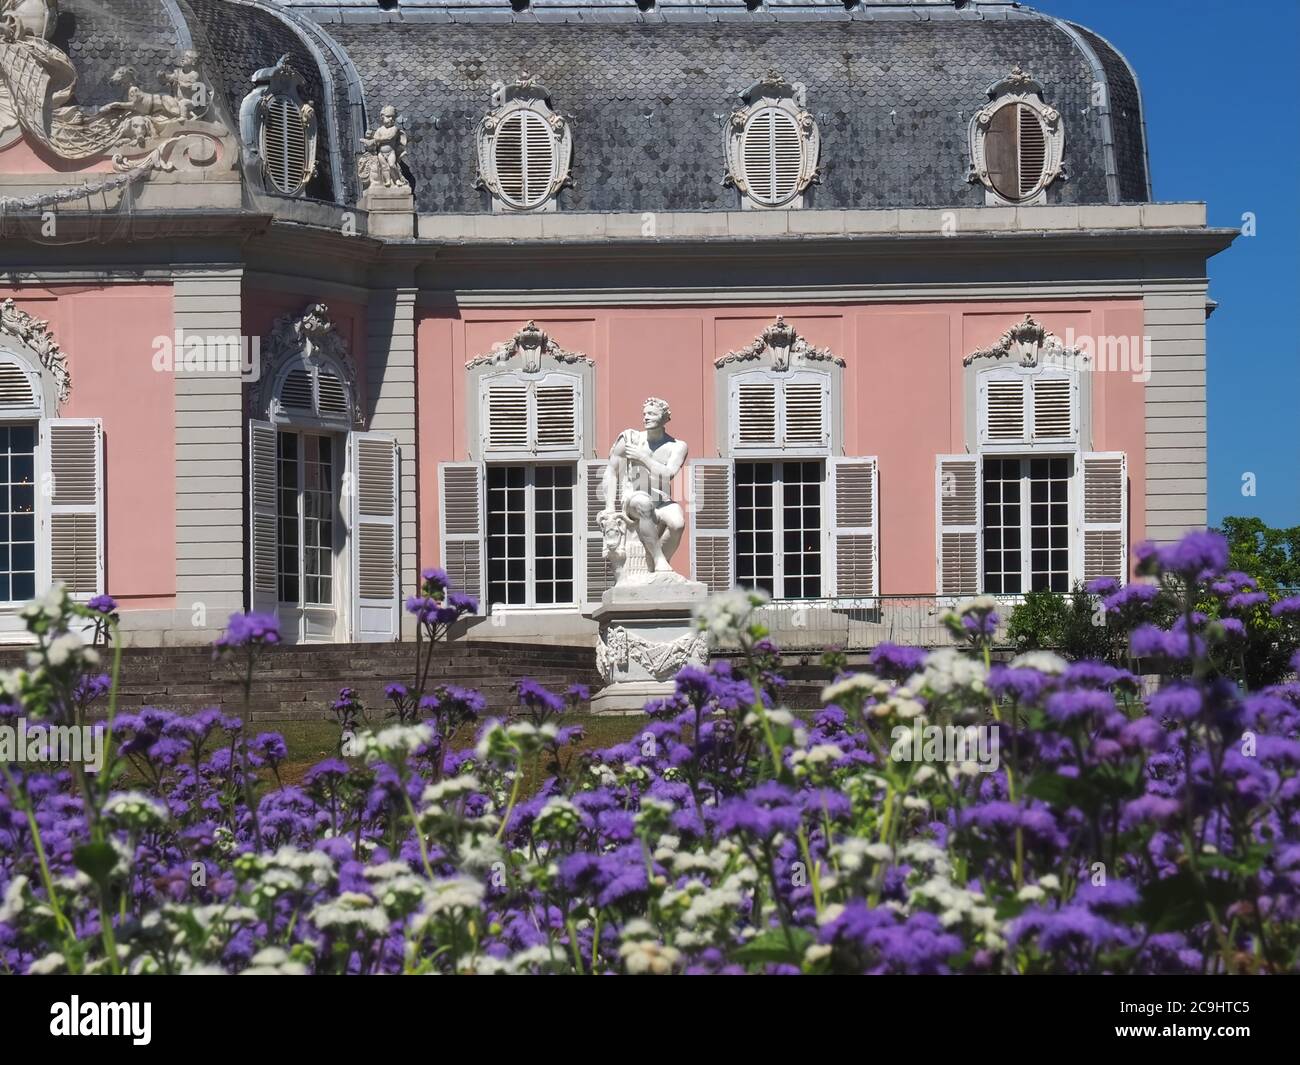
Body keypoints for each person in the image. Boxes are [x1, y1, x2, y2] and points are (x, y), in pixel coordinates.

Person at [601, 397, 688, 576]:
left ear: (665, 418)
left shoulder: (677, 446)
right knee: (644, 503)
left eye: (652, 414)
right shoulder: (630, 439)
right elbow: (611, 471)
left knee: (678, 524)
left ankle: (656, 560)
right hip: (633, 497)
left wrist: (643, 458)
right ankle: (659, 560)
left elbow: (668, 473)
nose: (646, 417)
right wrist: (609, 507)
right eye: (645, 414)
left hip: (662, 500)